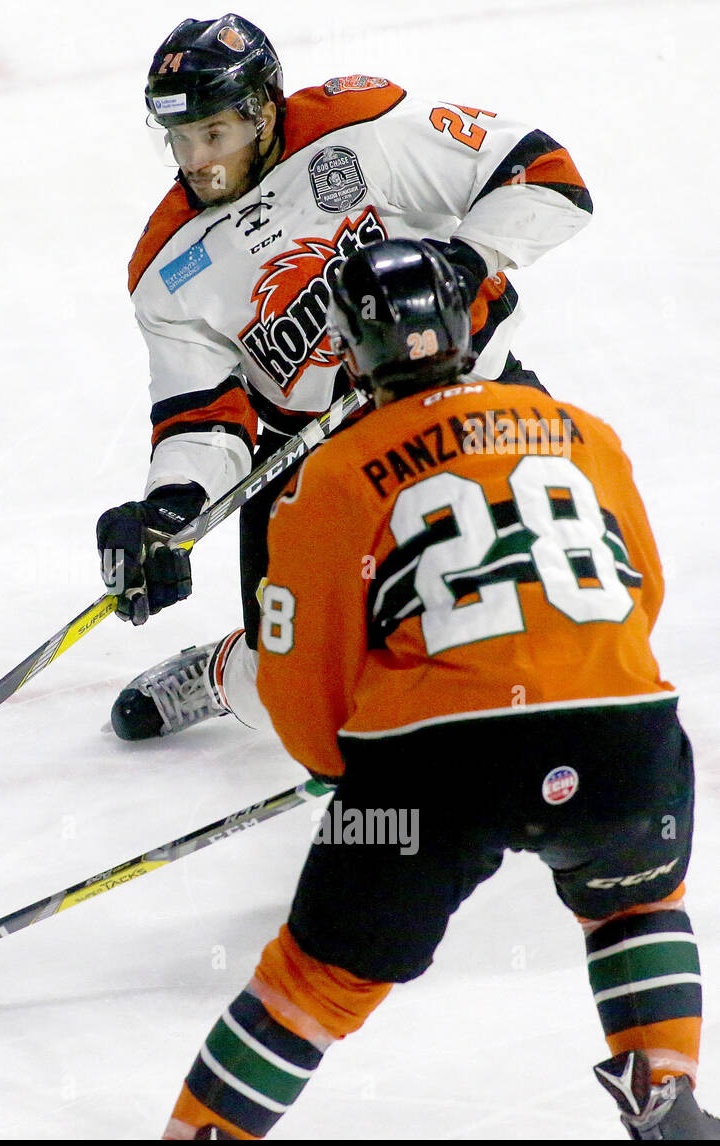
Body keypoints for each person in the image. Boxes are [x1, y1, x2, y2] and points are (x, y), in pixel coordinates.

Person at [161, 237, 716, 1141]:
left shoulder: (331, 477)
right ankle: (669, 1111)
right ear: (465, 324)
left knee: (312, 983)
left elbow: (304, 694)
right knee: (636, 896)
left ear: (348, 349)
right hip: (627, 738)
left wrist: (356, 778)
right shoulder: (584, 431)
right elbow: (638, 592)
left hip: (430, 775)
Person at [98, 13, 593, 741]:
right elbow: (201, 418)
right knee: (295, 696)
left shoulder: (361, 130)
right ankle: (227, 671)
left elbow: (547, 176)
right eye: (180, 139)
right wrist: (169, 510)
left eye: (215, 134)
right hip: (316, 459)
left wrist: (466, 261)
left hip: (461, 398)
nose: (198, 160)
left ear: (265, 110)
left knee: (541, 595)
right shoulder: (167, 267)